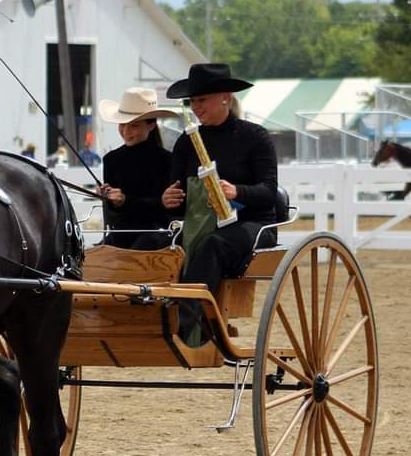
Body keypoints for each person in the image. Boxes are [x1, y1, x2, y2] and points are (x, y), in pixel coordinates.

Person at [160, 63, 277, 342]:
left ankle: (191, 326)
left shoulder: (254, 137)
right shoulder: (186, 143)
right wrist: (168, 199)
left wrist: (237, 192)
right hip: (200, 224)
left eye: (202, 100)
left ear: (225, 96)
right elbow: (178, 197)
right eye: (192, 101)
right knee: (158, 245)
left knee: (213, 244)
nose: (196, 107)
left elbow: (269, 191)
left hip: (253, 224)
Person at [96, 86, 179, 250]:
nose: (126, 131)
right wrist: (108, 199)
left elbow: (164, 209)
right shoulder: (111, 160)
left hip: (156, 236)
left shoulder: (167, 160)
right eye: (122, 124)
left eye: (133, 125)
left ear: (151, 125)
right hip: (119, 236)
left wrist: (125, 201)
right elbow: (114, 217)